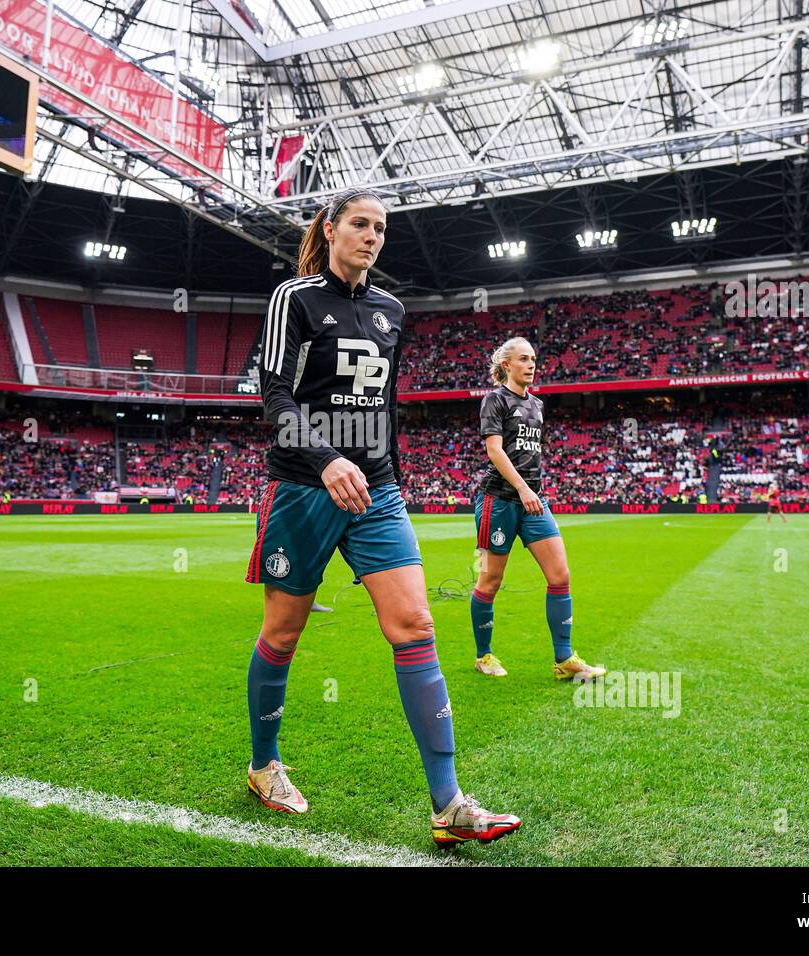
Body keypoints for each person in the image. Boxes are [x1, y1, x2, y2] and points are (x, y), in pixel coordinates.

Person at [243, 185, 520, 847]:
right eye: (360, 225)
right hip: (305, 489)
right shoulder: (295, 298)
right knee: (283, 634)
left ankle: (449, 803)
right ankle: (262, 766)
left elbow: (385, 404)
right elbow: (274, 393)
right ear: (331, 229)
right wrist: (325, 457)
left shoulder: (392, 310)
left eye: (381, 228)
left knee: (415, 623)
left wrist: (385, 470)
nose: (371, 236)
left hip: (376, 492)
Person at [470, 336, 606, 683]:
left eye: (533, 359)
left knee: (560, 576)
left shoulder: (538, 406)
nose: (531, 365)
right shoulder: (494, 400)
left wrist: (531, 490)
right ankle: (483, 655)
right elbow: (495, 451)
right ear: (506, 365)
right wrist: (521, 487)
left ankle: (564, 660)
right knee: (490, 580)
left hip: (534, 500)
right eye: (524, 359)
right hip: (498, 501)